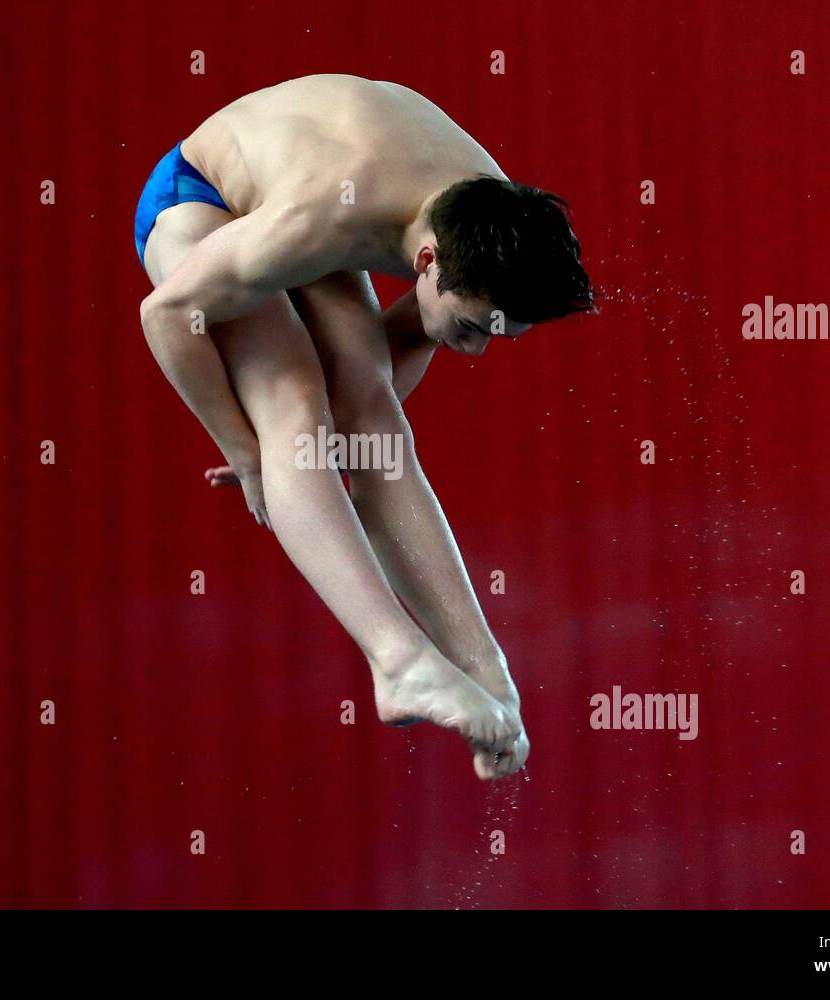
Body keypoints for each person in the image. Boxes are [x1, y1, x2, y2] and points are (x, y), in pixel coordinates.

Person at [136, 74, 593, 780]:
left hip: (321, 194)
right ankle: (398, 659)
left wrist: (345, 458)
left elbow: (384, 387)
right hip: (202, 197)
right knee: (293, 403)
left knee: (372, 419)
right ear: (427, 262)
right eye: (471, 329)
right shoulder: (320, 221)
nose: (472, 351)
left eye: (497, 335)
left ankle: (486, 667)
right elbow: (166, 316)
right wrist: (252, 455)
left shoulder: (494, 224)